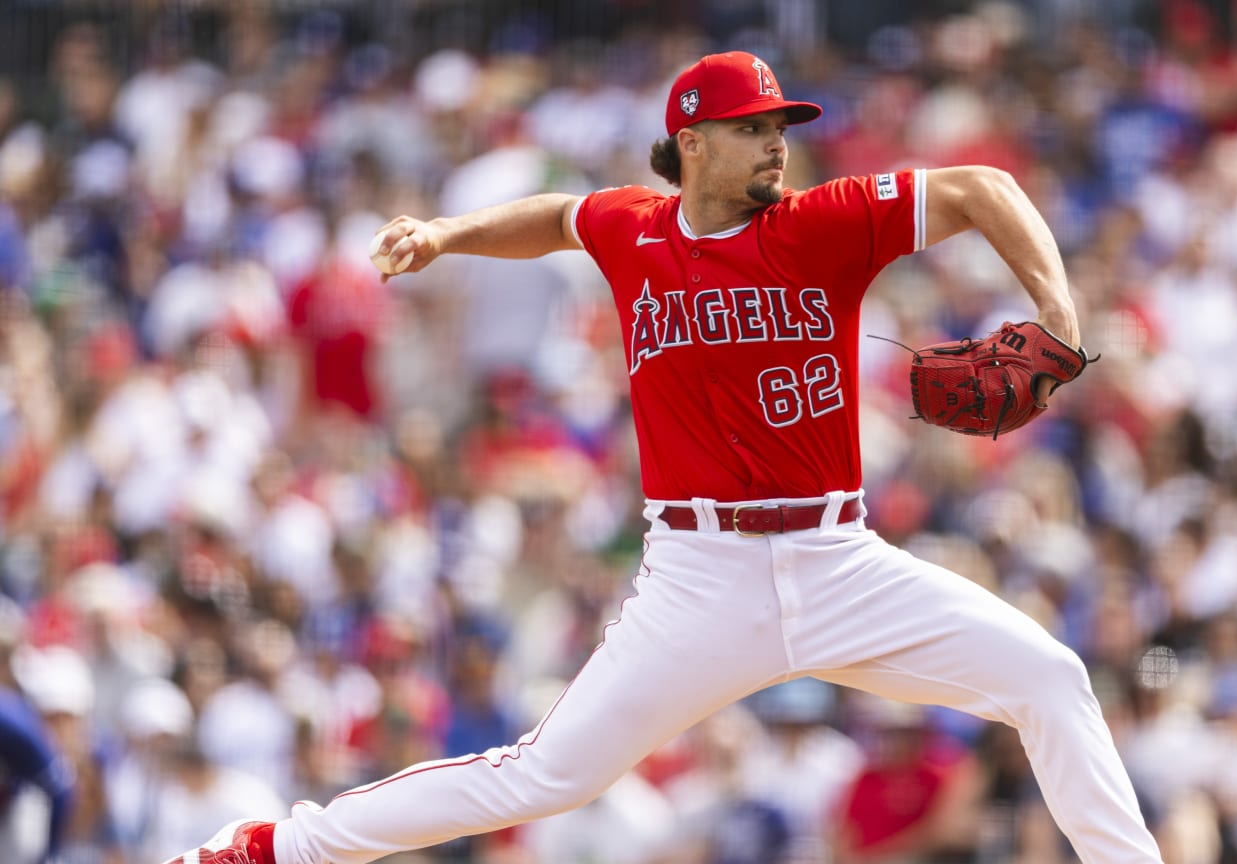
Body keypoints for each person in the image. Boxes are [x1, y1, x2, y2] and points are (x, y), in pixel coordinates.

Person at [162, 51, 1163, 864]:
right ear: (692, 142)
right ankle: (277, 848)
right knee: (543, 776)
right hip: (700, 575)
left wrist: (1059, 314)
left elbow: (984, 188)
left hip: (839, 559)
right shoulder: (632, 229)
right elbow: (556, 219)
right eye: (752, 128)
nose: (776, 143)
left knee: (1050, 677)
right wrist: (445, 234)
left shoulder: (822, 224)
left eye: (780, 126)